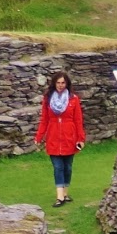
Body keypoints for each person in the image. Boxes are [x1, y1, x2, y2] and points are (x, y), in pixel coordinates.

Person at [35, 71, 86, 207]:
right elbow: (44, 120)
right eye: (58, 82)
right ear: (54, 83)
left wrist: (80, 138)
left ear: (67, 84)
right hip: (53, 137)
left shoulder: (73, 99)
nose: (60, 85)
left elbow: (78, 120)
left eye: (63, 83)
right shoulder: (47, 99)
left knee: (67, 167)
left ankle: (65, 193)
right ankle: (59, 197)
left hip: (69, 137)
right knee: (58, 167)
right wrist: (39, 136)